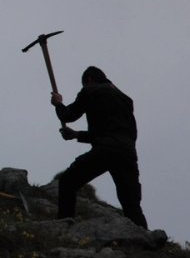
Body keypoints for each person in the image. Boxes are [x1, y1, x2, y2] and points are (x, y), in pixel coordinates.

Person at [51, 66, 149, 228]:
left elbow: (68, 115)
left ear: (89, 80)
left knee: (68, 182)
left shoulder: (90, 91)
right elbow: (108, 132)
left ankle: (64, 225)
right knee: (131, 204)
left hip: (105, 151)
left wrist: (58, 104)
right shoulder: (125, 100)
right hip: (127, 154)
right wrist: (76, 135)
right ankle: (145, 241)